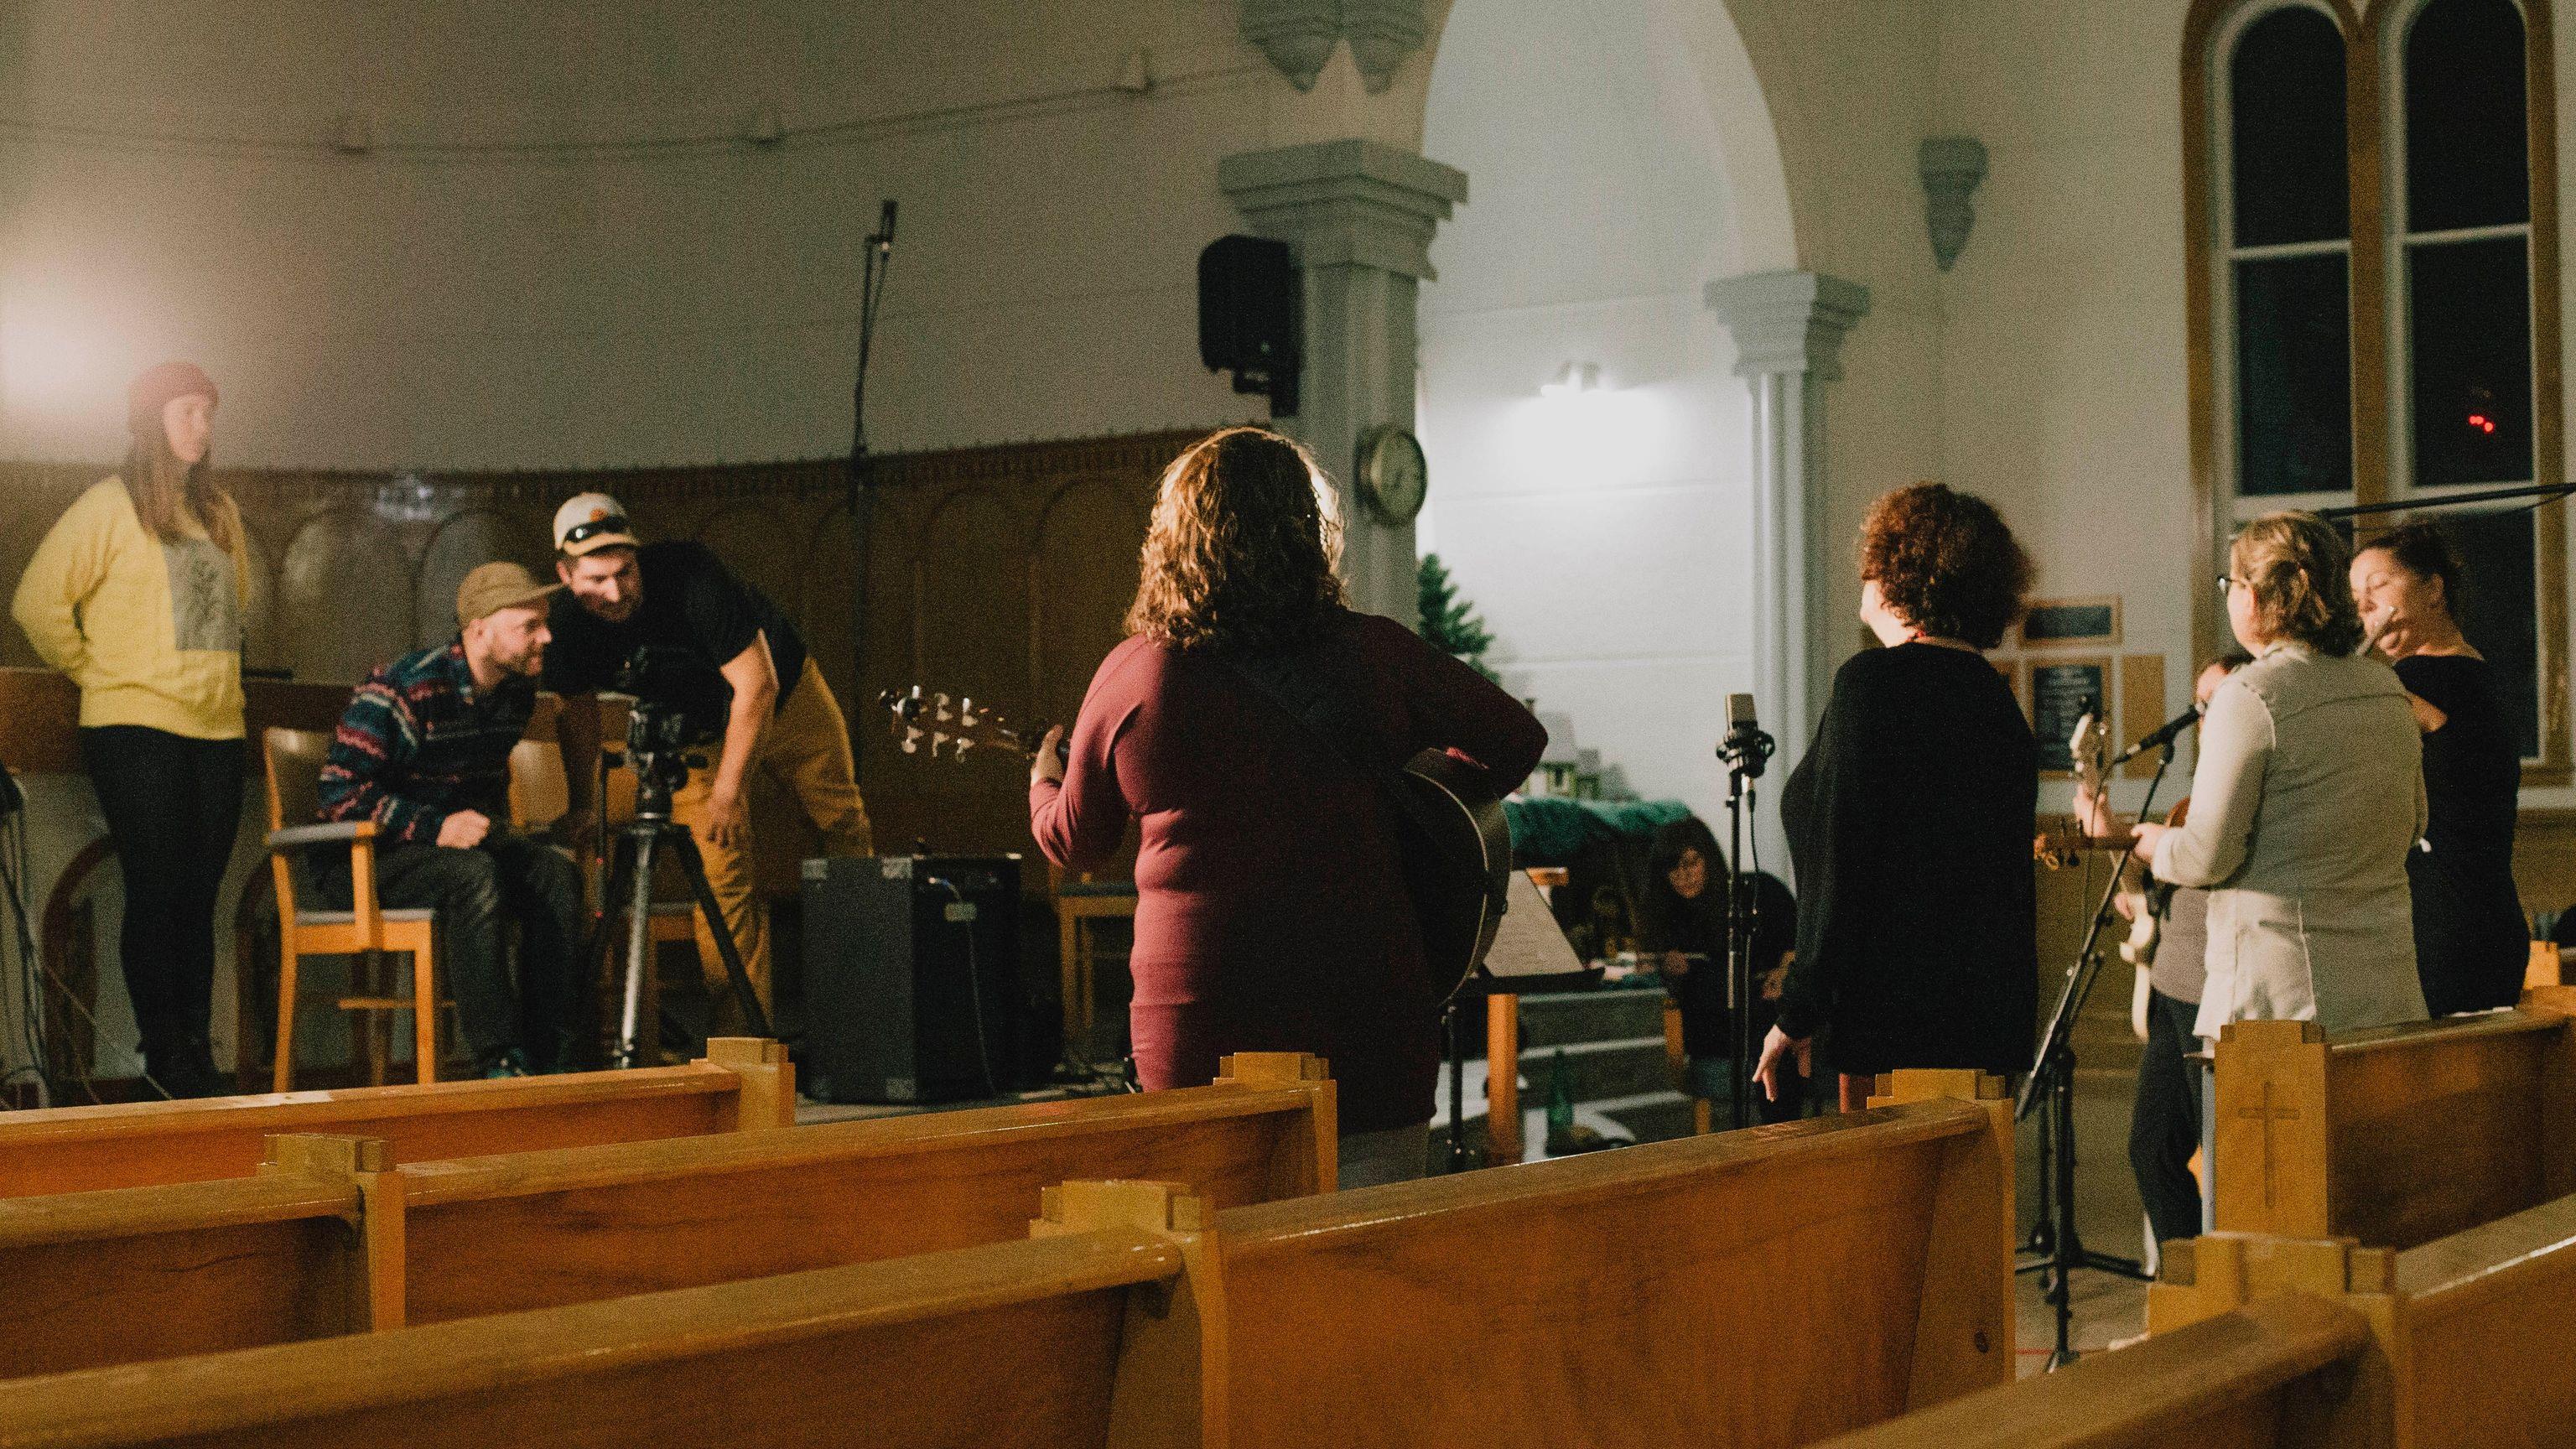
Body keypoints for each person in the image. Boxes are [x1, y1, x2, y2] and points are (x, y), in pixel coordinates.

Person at [1029, 426, 1545, 1189]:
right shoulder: (1376, 654)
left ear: (1172, 538)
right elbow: (1516, 737)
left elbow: (1077, 840)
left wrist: (1044, 781)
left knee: (1224, 1280)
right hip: (1369, 1033)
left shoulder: (1138, 676)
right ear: (1311, 534)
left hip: (1198, 1036)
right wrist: (1427, 791)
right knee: (1367, 1278)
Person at [541, 494, 873, 1033]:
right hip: (697, 731)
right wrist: (585, 805)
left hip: (782, 694)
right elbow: (576, 722)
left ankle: (866, 999)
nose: (616, 591)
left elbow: (757, 686)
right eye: (597, 579)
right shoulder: (565, 627)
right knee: (723, 871)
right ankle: (745, 1042)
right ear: (565, 574)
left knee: (839, 819)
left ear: (638, 556)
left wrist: (730, 790)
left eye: (625, 572)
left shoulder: (692, 575)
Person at [1756, 482, 2038, 1110]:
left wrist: (1798, 1012)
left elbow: (1843, 868)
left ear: (1896, 580)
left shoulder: (1873, 687)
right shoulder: (1997, 703)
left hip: (1892, 1031)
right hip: (1983, 1025)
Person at [12, 361, 245, 1098]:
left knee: (199, 894)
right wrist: (98, 672)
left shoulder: (220, 512)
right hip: (133, 725)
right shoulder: (107, 507)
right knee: (157, 884)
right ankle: (164, 1050)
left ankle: (196, 1049)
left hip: (218, 727)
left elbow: (237, 615)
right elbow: (37, 603)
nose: (202, 427)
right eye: (188, 412)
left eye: (209, 413)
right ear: (152, 420)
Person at [2134, 512, 2428, 1037]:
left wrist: (2155, 845)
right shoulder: (2387, 690)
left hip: (2282, 1006)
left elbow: (2205, 856)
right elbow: (2413, 826)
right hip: (2386, 991)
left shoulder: (2250, 695)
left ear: (2252, 595)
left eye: (2231, 583)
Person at [314, 564, 585, 1078]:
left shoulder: (515, 688)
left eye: (545, 624)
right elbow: (338, 794)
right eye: (530, 626)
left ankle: (554, 1064)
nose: (546, 638)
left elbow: (479, 785)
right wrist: (435, 827)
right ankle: (500, 1062)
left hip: (447, 852)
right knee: (474, 878)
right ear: (478, 629)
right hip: (362, 861)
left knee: (556, 875)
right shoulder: (407, 687)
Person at [2350, 522, 2528, 1016]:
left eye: (2378, 586)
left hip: (2440, 925)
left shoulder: (2414, 682)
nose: (2364, 609)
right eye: (2356, 597)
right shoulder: (2478, 674)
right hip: (2487, 918)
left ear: (2433, 588)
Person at [2121, 652, 2246, 1249]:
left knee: (2223, 1165)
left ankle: (2222, 1302)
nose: (2203, 715)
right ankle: (2185, 1287)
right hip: (2171, 989)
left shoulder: (2246, 771)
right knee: (2151, 1151)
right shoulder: (2202, 781)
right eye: (2199, 703)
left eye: (2216, 699)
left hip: (2211, 995)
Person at [1638, 817, 1800, 1123]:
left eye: (1691, 863)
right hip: (1713, 1026)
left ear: (1707, 858)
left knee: (1772, 1023)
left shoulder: (1757, 891)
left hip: (1764, 1014)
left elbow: (1796, 942)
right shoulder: (1668, 917)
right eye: (1673, 869)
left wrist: (1782, 971)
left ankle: (1782, 1132)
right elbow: (1654, 970)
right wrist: (1669, 968)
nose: (1684, 876)